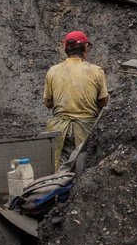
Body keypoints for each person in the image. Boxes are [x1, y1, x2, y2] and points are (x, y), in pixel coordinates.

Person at [43, 30, 108, 169]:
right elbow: (103, 102)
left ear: (65, 49)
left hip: (59, 130)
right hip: (86, 130)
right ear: (85, 48)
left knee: (59, 168)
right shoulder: (97, 71)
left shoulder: (53, 71)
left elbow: (48, 103)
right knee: (84, 169)